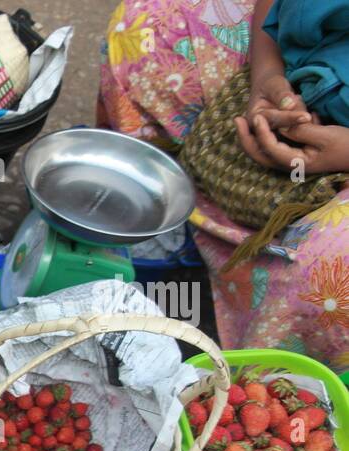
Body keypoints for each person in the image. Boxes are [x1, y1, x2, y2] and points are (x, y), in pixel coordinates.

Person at [99, 0, 349, 374]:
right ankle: (166, 234)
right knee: (145, 31)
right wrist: (265, 77)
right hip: (310, 68)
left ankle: (272, 377)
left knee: (331, 275)